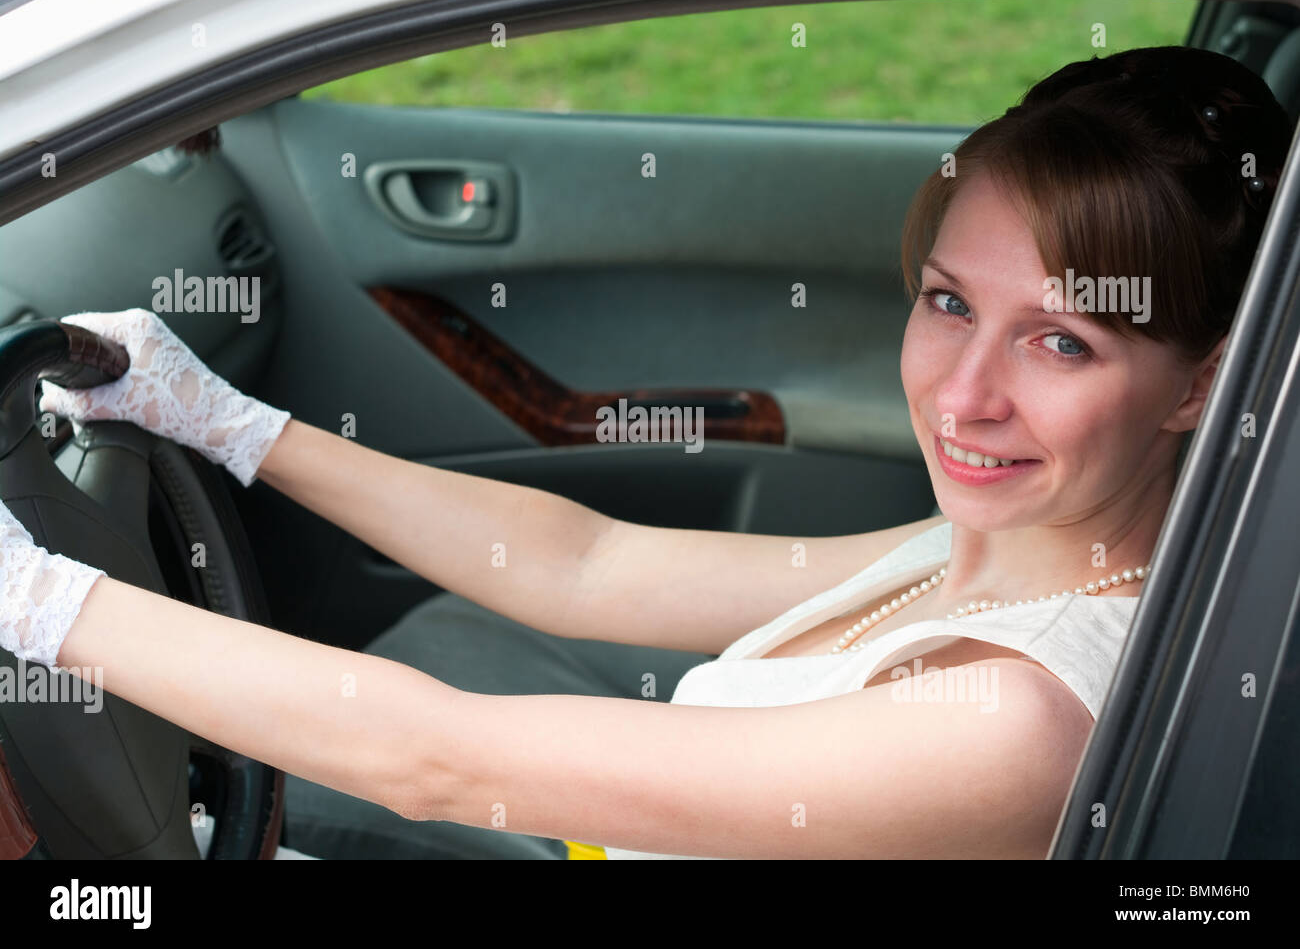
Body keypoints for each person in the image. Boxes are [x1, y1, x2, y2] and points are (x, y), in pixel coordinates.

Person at [4, 45, 1292, 860]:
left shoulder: (1026, 715)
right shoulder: (999, 553)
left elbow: (441, 759)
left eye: (1060, 344)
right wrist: (233, 425)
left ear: (1204, 382)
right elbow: (586, 564)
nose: (963, 395)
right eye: (950, 301)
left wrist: (46, 601)